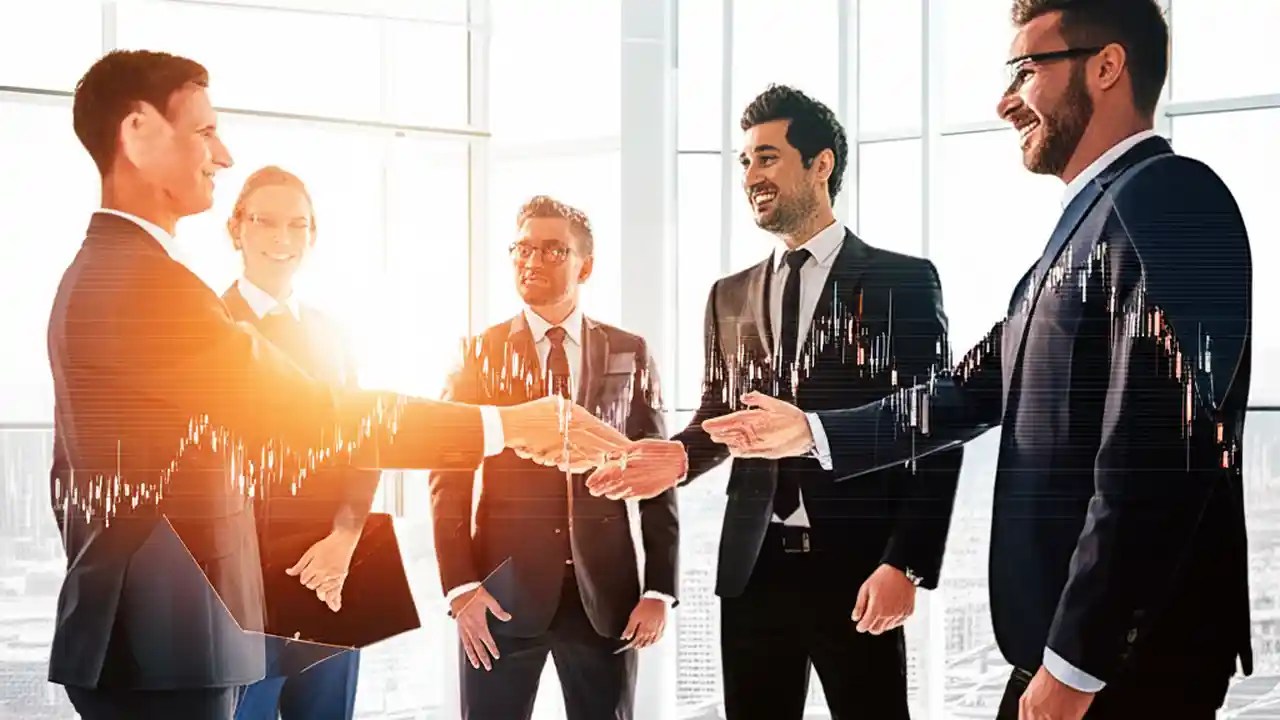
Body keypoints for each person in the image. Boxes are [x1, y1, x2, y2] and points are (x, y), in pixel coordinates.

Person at [688, 2, 1253, 719]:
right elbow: (962, 391)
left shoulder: (1171, 200)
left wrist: (1077, 664)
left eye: (1027, 68)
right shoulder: (1086, 226)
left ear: (1107, 66)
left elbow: (1158, 458)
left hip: (1124, 660)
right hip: (1078, 648)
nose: (1006, 99)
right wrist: (811, 433)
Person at [47, 49, 624, 720]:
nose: (222, 154)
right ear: (139, 132)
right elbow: (311, 415)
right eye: (205, 131)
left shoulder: (125, 271)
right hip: (161, 640)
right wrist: (505, 424)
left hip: (166, 632)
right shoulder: (145, 284)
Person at [596, 85, 962, 719]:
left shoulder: (901, 281)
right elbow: (719, 412)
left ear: (821, 164)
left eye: (767, 157)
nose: (751, 176)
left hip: (859, 570)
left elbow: (933, 426)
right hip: (751, 570)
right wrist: (679, 460)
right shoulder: (727, 295)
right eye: (744, 162)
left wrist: (907, 562)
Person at [430, 196, 679, 720]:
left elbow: (655, 472)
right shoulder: (478, 354)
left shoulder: (629, 351)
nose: (532, 261)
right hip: (499, 596)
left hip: (607, 601)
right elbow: (447, 473)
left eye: (551, 250)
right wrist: (459, 587)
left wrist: (659, 588)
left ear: (584, 265)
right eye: (523, 248)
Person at [219, 166, 368, 720]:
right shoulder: (207, 325)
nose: (283, 239)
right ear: (236, 229)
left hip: (328, 576)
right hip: (236, 593)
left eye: (298, 225)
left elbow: (365, 441)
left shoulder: (334, 333)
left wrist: (346, 536)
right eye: (266, 222)